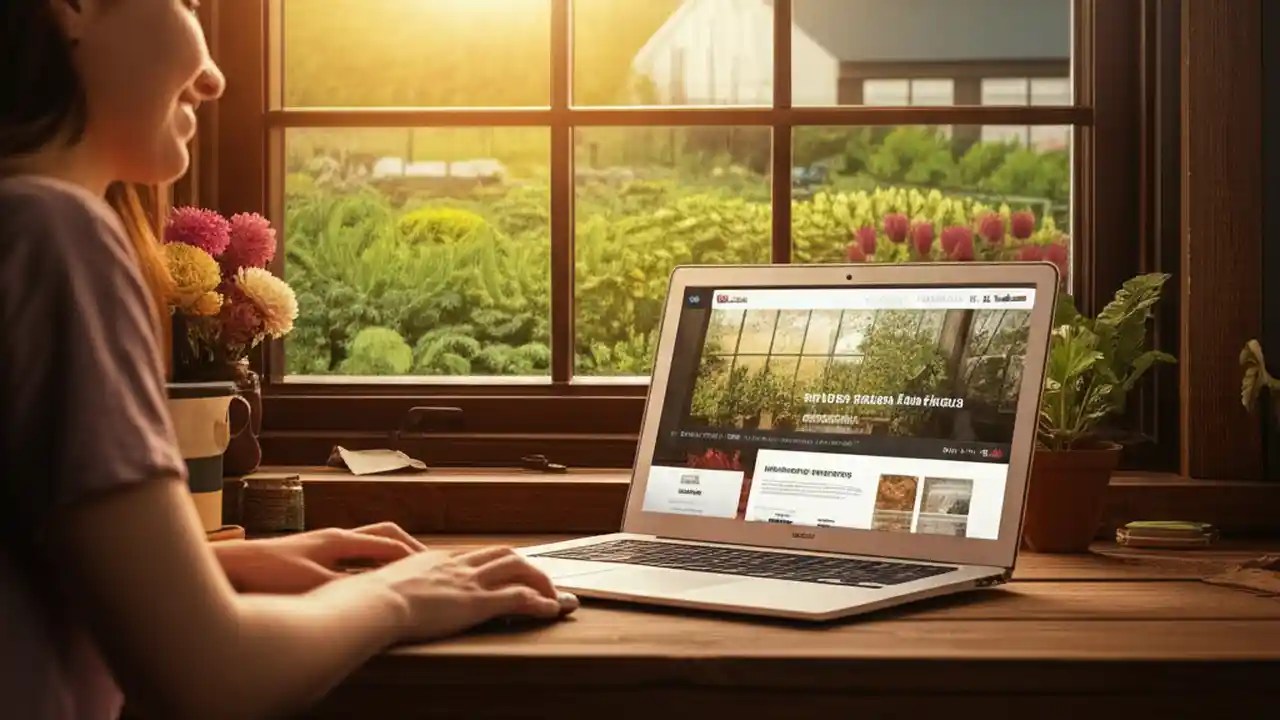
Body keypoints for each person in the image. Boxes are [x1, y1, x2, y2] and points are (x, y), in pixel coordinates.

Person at [0, 2, 578, 719]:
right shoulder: (52, 236)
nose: (213, 79)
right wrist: (399, 595)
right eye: (186, 2)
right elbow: (212, 675)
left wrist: (217, 565)